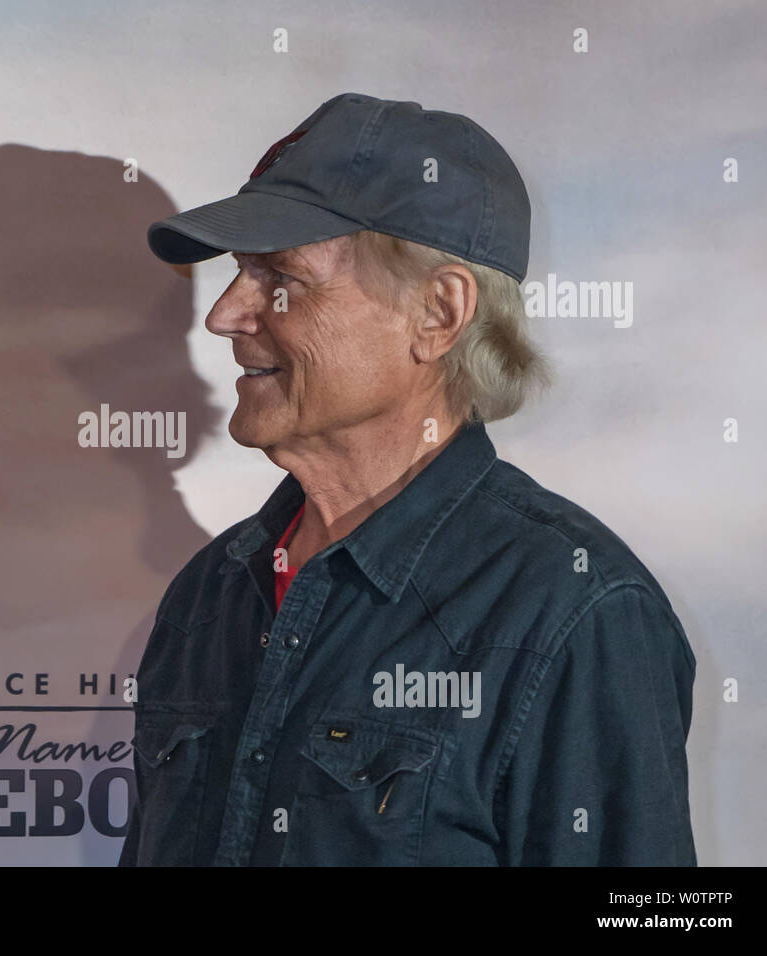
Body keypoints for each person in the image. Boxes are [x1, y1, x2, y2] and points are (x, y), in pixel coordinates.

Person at [118, 92, 697, 866]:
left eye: (280, 278)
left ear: (438, 312)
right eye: (237, 275)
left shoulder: (575, 610)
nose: (225, 314)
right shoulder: (211, 593)